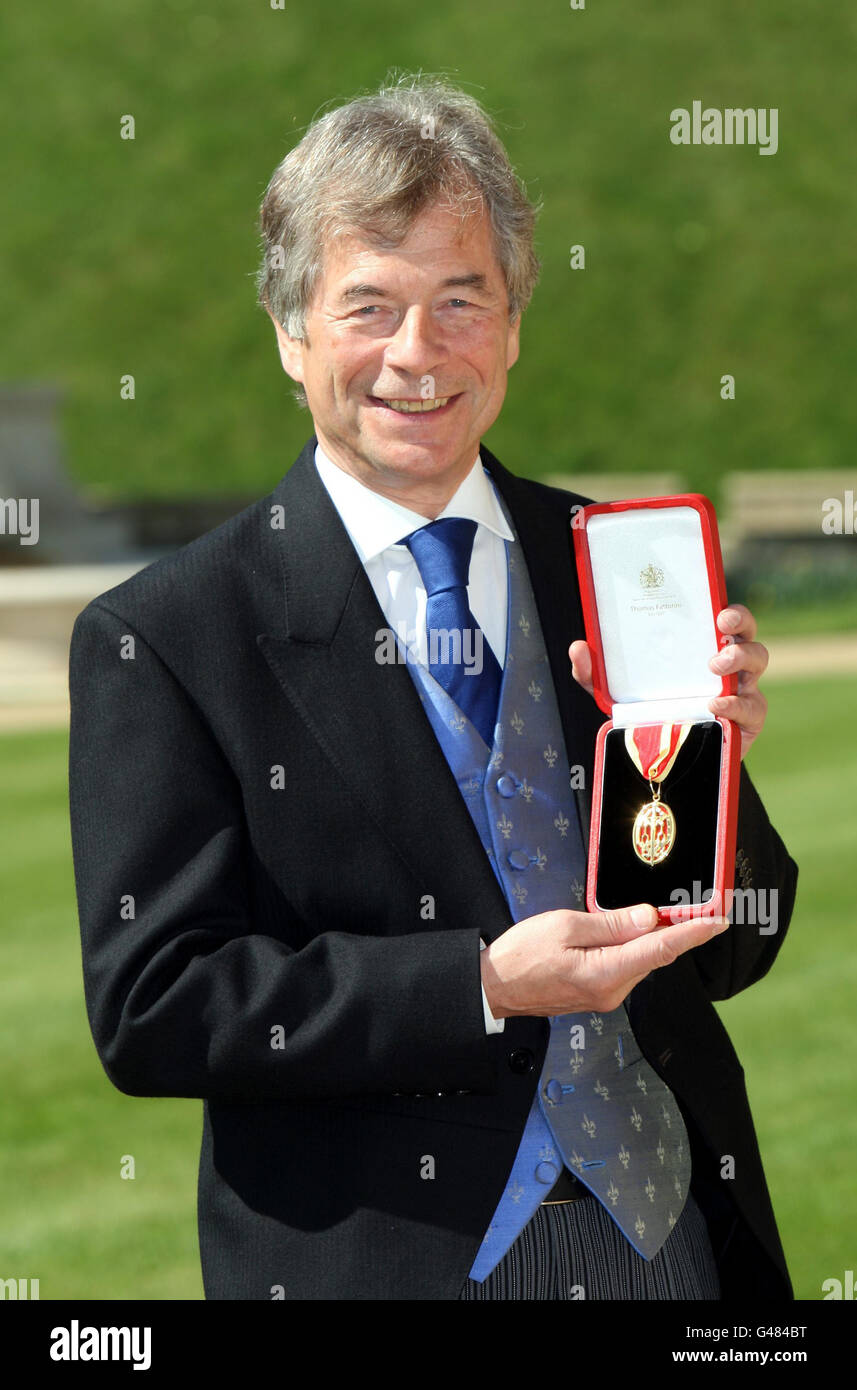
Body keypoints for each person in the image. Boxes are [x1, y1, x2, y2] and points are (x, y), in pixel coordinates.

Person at [69, 74, 797, 1301]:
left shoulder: (615, 567)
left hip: (673, 1246)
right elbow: (157, 1005)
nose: (418, 353)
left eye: (461, 299)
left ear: (512, 323)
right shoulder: (168, 635)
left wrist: (711, 770)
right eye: (369, 305)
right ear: (288, 329)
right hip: (385, 1264)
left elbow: (737, 941)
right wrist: (481, 984)